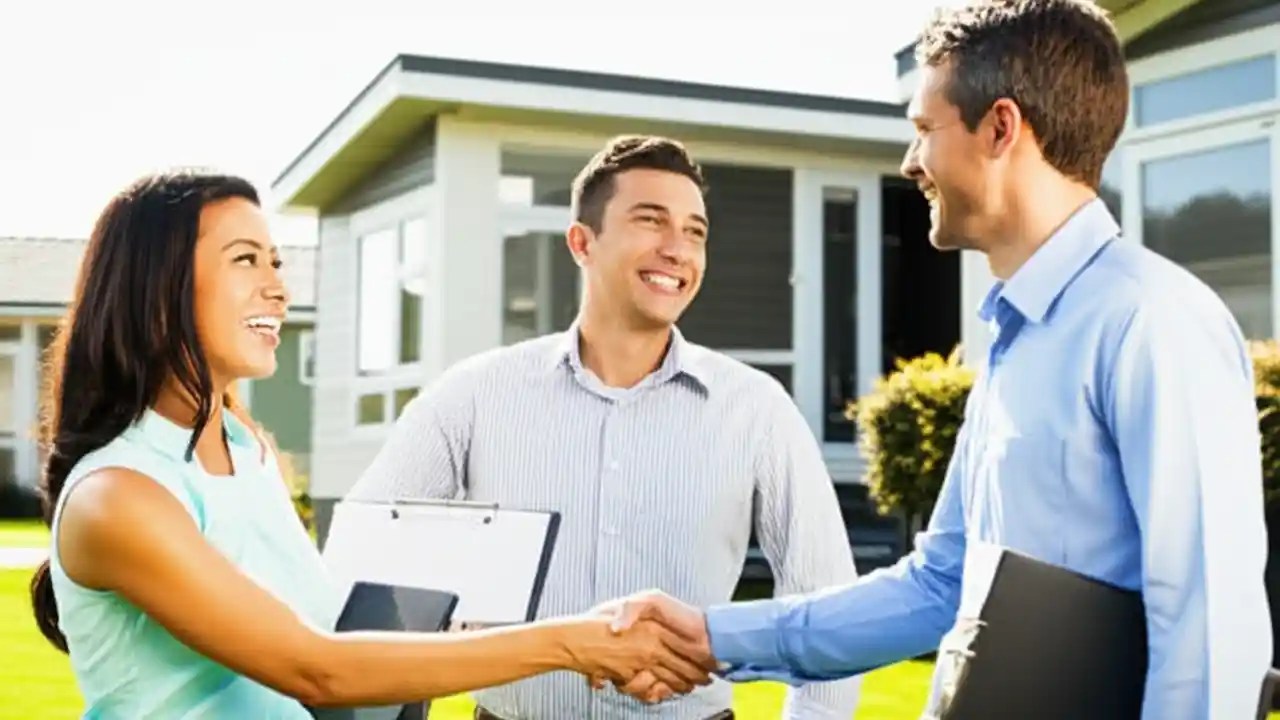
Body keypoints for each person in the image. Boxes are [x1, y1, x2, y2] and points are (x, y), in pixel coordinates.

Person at [602, 2, 1273, 719]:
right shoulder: (1021, 336)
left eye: (924, 129)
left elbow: (1209, 631)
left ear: (1001, 128)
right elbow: (941, 584)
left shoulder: (1151, 320)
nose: (910, 162)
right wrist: (709, 632)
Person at [27, 169, 714, 719]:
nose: (277, 285)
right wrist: (574, 643)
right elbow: (317, 668)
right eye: (245, 260)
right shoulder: (118, 498)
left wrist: (447, 639)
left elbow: (326, 636)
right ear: (158, 289)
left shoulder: (247, 448)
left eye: (275, 261)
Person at [345, 135, 861, 718]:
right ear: (581, 243)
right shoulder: (473, 395)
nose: (677, 249)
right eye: (651, 221)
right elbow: (361, 566)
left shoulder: (758, 410)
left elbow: (826, 611)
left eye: (695, 232)